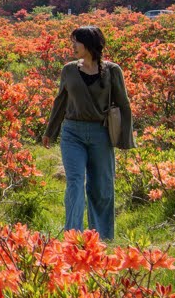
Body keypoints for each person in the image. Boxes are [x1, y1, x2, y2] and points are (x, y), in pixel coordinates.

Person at [42, 25, 134, 241]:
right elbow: (60, 101)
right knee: (75, 181)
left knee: (101, 186)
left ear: (90, 44)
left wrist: (124, 138)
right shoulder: (69, 70)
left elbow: (124, 104)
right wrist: (50, 131)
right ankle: (72, 237)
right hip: (72, 132)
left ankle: (101, 239)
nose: (73, 46)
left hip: (101, 133)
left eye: (76, 41)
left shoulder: (112, 70)